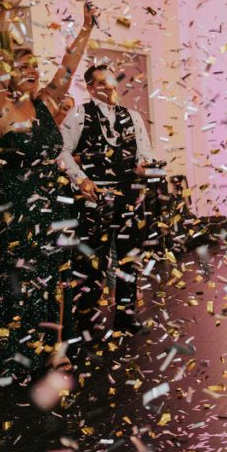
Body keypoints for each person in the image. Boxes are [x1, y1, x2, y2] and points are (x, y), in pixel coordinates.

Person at [0, 0, 97, 376]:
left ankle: (55, 348)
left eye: (34, 66)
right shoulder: (1, 108)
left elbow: (69, 65)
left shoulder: (47, 103)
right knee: (23, 276)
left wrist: (86, 28)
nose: (30, 71)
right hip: (18, 203)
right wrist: (5, 15)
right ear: (9, 76)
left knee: (57, 274)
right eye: (22, 67)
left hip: (54, 199)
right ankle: (18, 353)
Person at [61, 64, 155, 334]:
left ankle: (126, 318)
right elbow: (63, 152)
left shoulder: (132, 116)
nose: (110, 88)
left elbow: (144, 153)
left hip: (128, 195)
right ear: (90, 88)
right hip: (95, 198)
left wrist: (144, 167)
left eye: (112, 82)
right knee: (92, 262)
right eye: (102, 83)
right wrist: (81, 180)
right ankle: (86, 321)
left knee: (128, 258)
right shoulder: (78, 114)